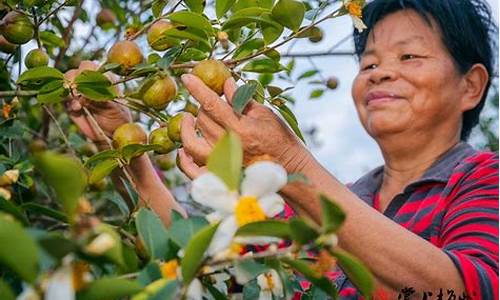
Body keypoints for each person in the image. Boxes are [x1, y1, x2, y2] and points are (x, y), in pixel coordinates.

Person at [66, 0, 498, 298]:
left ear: (470, 85)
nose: (380, 73)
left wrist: (291, 162)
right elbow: (210, 265)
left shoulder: (485, 177)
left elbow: (464, 291)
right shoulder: (314, 206)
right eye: (369, 62)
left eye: (409, 58)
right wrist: (129, 153)